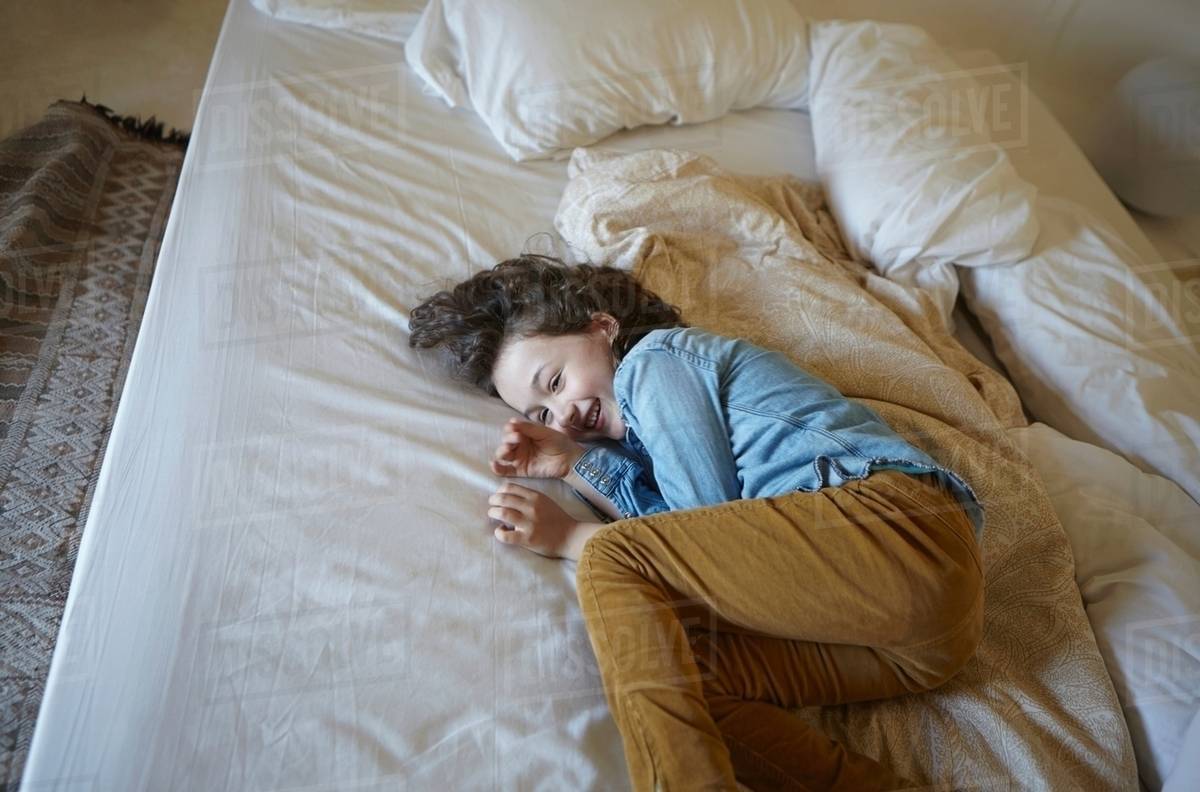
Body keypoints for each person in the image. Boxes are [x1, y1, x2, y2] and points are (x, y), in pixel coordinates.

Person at [409, 254, 985, 791]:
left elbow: (694, 524)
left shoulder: (656, 364)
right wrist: (574, 464)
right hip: (912, 643)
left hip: (893, 530)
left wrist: (571, 536)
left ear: (601, 327)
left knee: (611, 555)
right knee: (687, 678)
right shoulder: (635, 443)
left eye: (555, 382)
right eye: (541, 413)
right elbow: (696, 548)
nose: (563, 416)